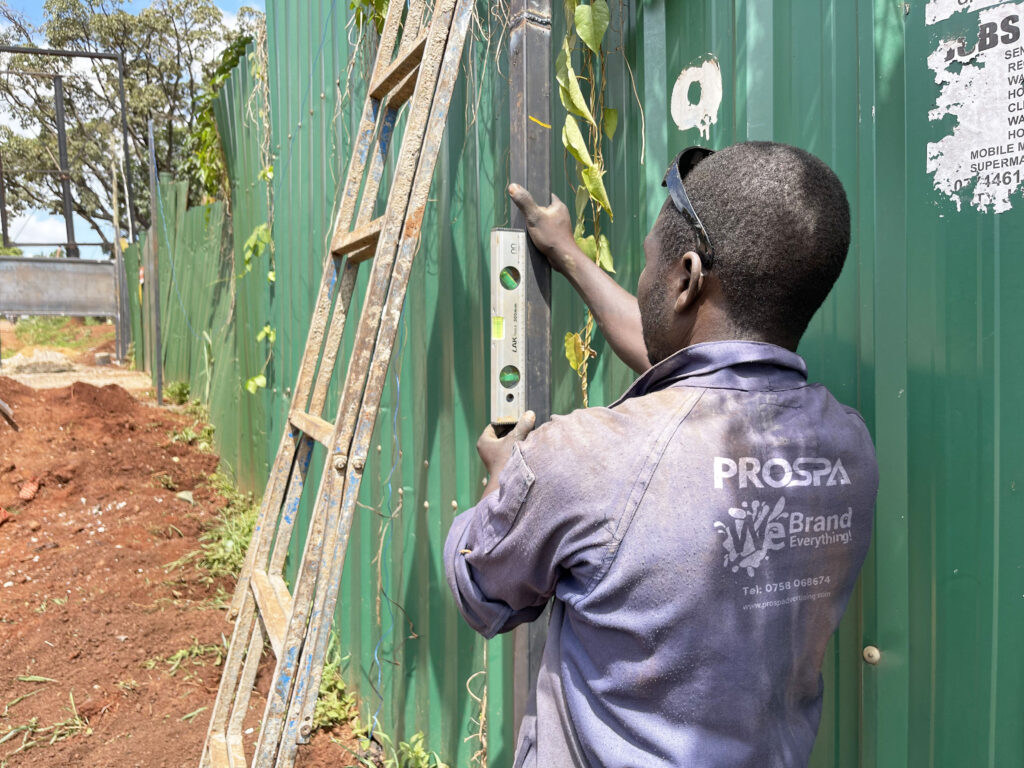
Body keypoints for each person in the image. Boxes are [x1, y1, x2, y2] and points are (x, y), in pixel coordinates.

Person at [444, 141, 878, 768]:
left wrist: (503, 477)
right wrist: (567, 255)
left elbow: (476, 587)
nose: (642, 277)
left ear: (687, 278)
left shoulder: (585, 457)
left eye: (648, 263)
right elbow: (698, 369)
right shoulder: (850, 449)